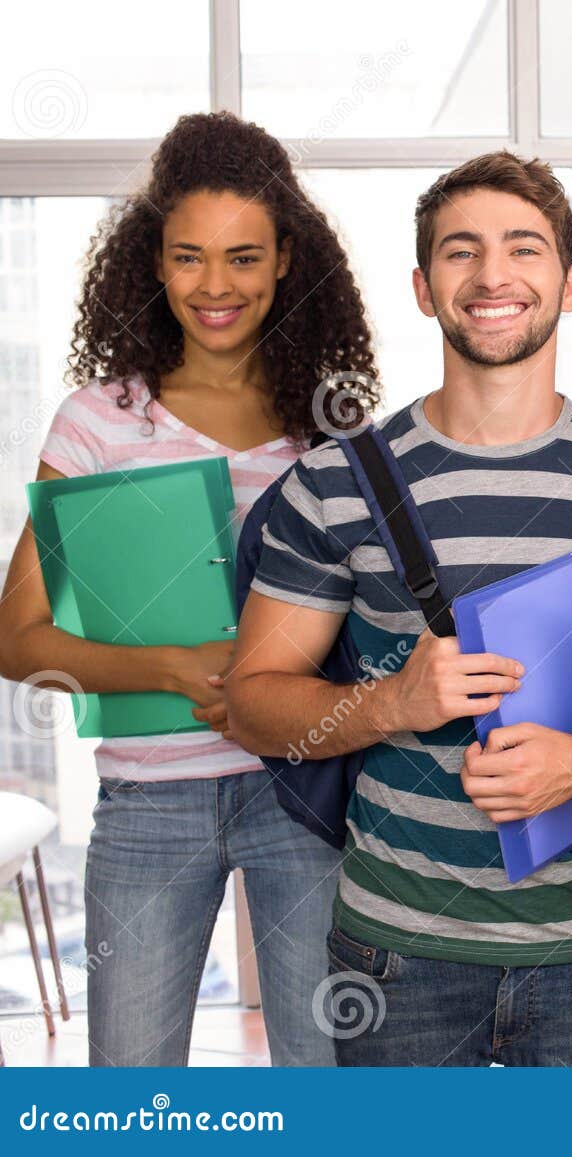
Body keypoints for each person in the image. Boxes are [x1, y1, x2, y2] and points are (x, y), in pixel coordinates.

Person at [225, 152, 572, 1067]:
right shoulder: (334, 483)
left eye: (525, 248)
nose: (493, 275)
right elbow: (251, 703)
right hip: (398, 960)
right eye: (460, 252)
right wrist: (393, 701)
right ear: (424, 287)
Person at [0, 111, 380, 1066]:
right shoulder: (97, 420)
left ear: (287, 259)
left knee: (323, 1077)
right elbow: (17, 638)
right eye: (189, 257)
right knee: (129, 1086)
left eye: (244, 257)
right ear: (152, 260)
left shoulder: (329, 428)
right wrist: (171, 667)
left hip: (304, 790)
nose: (216, 286)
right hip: (150, 802)